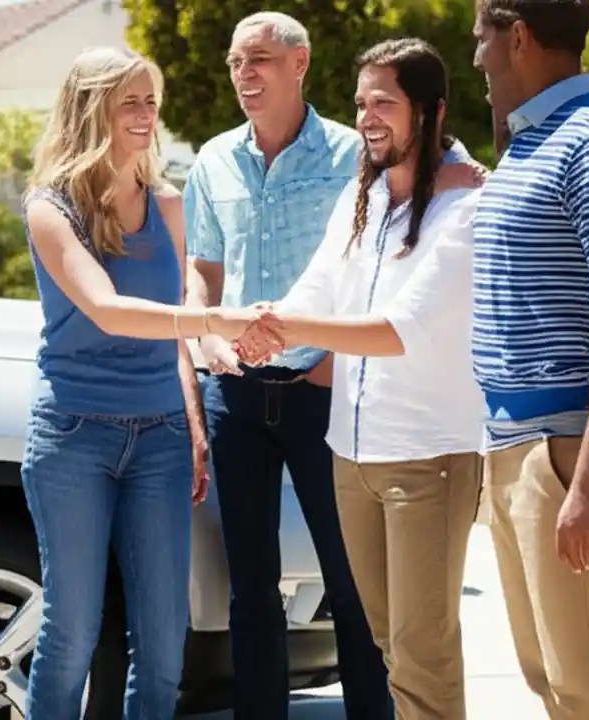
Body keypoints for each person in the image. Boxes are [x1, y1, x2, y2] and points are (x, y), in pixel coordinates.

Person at [182, 12, 481, 719]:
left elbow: (397, 323)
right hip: (289, 416)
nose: (243, 74)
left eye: (385, 102)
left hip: (372, 421)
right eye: (364, 103)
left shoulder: (417, 183)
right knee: (272, 596)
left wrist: (299, 346)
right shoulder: (352, 190)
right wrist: (226, 343)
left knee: (386, 621)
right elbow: (304, 279)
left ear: (299, 63)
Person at [19, 46, 267, 720]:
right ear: (89, 106)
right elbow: (107, 308)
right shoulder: (52, 210)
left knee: (163, 647)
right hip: (74, 437)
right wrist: (215, 315)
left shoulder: (168, 204)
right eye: (129, 100)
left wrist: (191, 420)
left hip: (158, 435)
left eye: (150, 101)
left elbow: (170, 329)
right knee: (70, 635)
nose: (145, 114)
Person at [472, 2, 589, 718]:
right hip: (519, 446)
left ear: (517, 36)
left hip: (569, 452)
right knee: (551, 681)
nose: (479, 60)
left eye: (482, 38)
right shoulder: (528, 144)